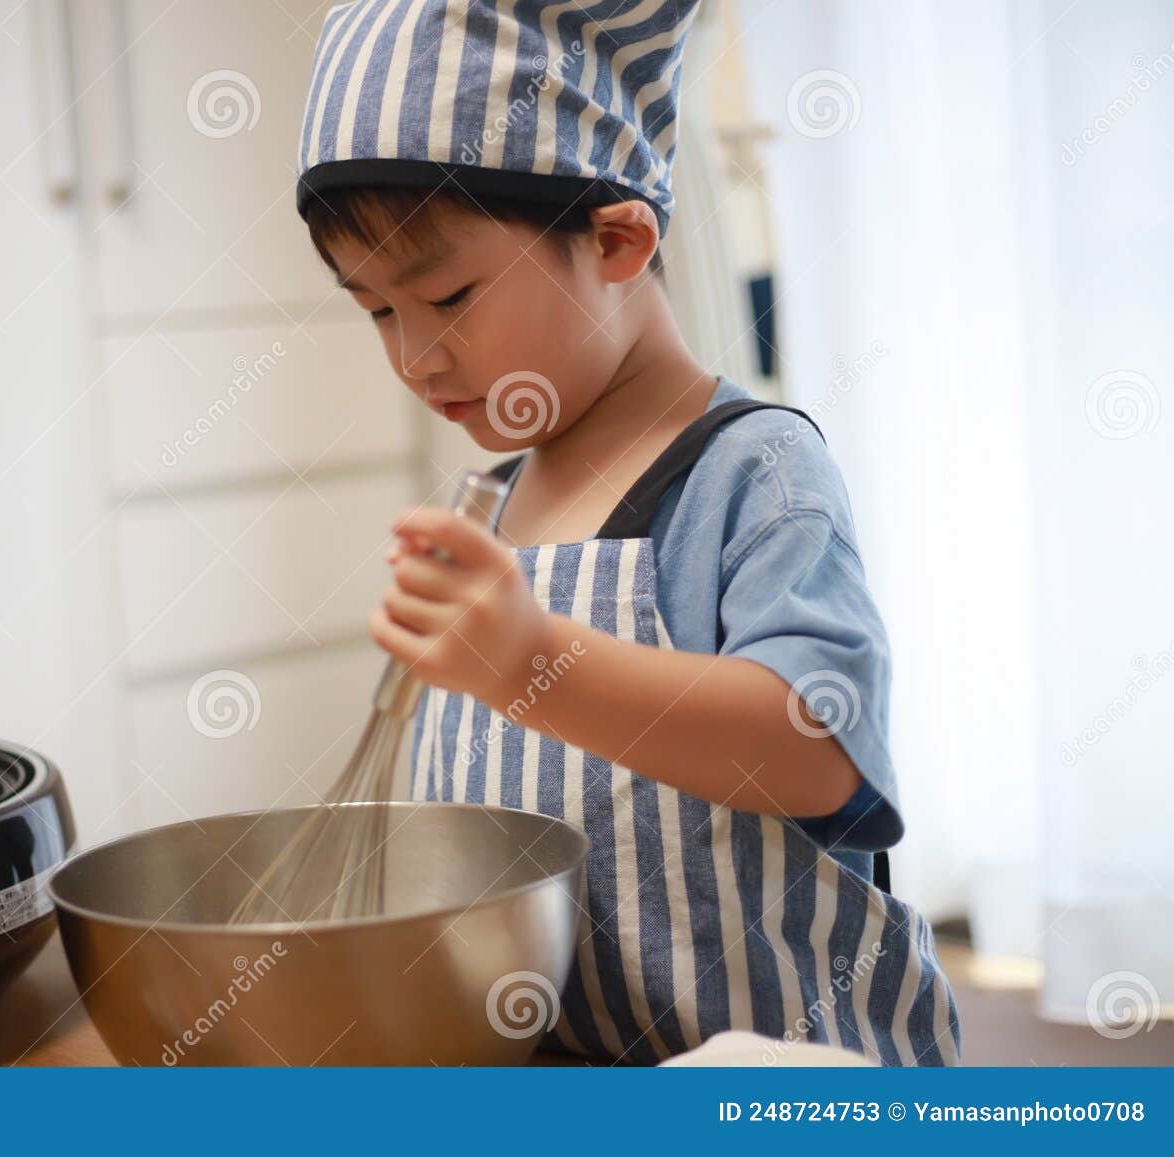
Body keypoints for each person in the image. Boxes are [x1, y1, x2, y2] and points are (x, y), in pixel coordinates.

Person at [295, 0, 959, 1065]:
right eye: (375, 309)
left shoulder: (748, 469)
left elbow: (821, 753)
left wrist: (529, 659)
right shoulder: (495, 502)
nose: (414, 357)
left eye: (448, 295)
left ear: (616, 237)